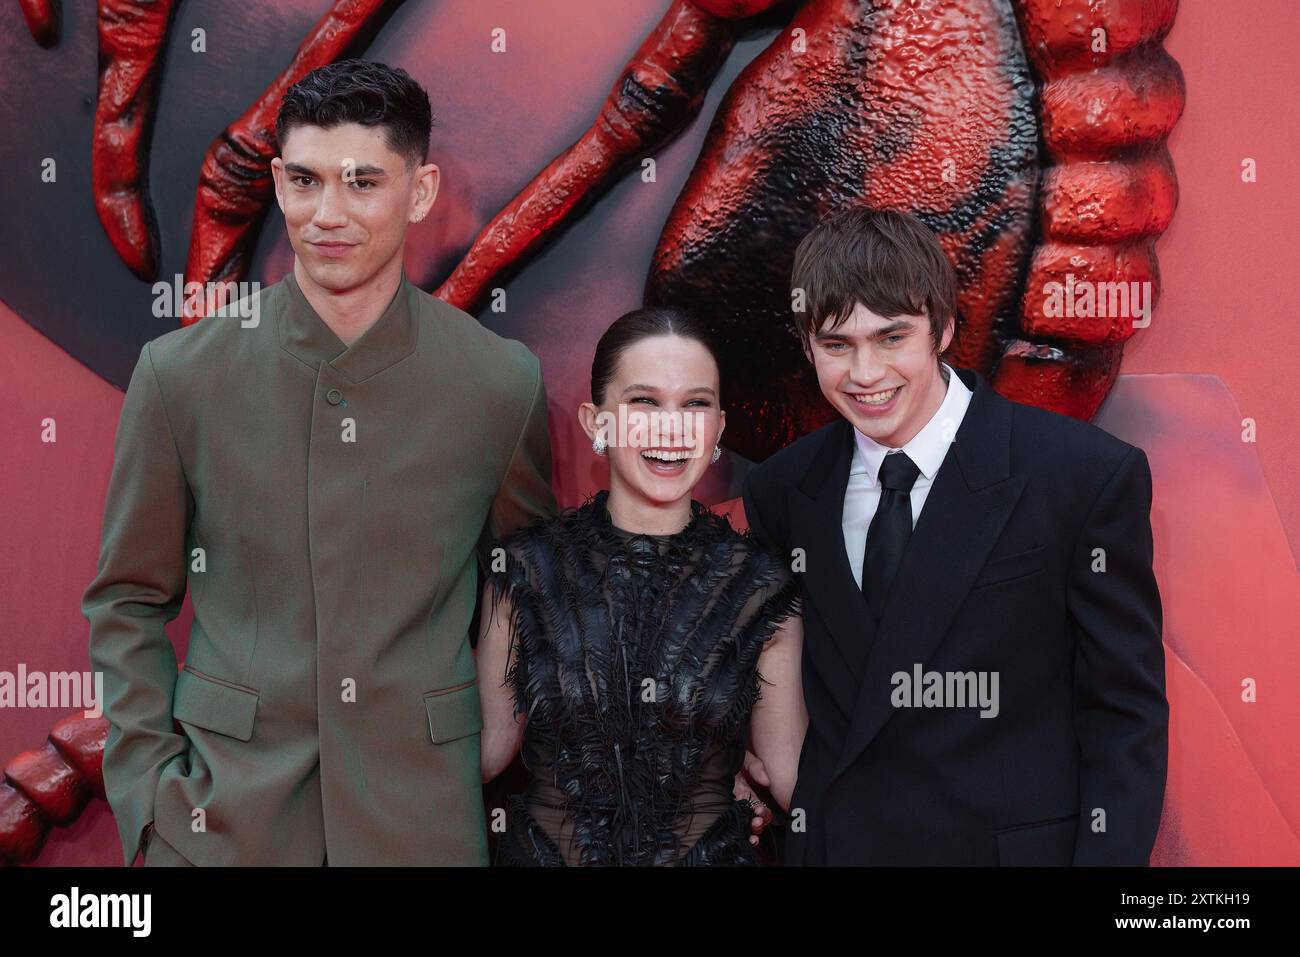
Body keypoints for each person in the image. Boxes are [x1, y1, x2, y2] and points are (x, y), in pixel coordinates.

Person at [83, 59, 556, 866]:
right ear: (276, 181)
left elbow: (532, 582)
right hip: (221, 825)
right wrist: (152, 801)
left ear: (420, 190)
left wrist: (485, 734)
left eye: (362, 182)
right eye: (304, 180)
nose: (326, 214)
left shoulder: (498, 383)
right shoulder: (180, 374)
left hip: (422, 825)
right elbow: (127, 601)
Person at [742, 207, 1168, 865]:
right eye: (837, 344)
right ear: (807, 346)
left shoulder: (1081, 476)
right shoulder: (783, 491)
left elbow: (1124, 714)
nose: (865, 373)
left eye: (891, 337)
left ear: (942, 328)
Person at [476, 307, 807, 866]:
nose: (670, 428)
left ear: (719, 428)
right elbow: (487, 748)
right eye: (644, 402)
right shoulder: (527, 569)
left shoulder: (761, 587)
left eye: (695, 404)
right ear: (594, 422)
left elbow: (790, 772)